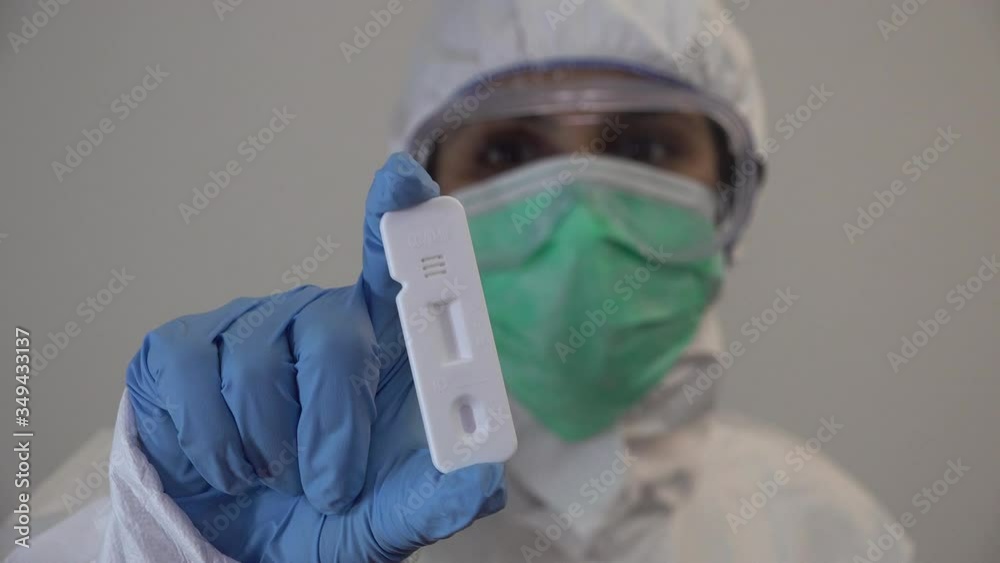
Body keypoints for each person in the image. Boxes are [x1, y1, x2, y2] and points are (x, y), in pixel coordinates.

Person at [6, 0, 916, 562]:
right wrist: (171, 551)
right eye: (511, 150)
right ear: (422, 200)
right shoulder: (218, 488)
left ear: (732, 204)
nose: (575, 209)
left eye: (639, 147)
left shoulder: (824, 531)